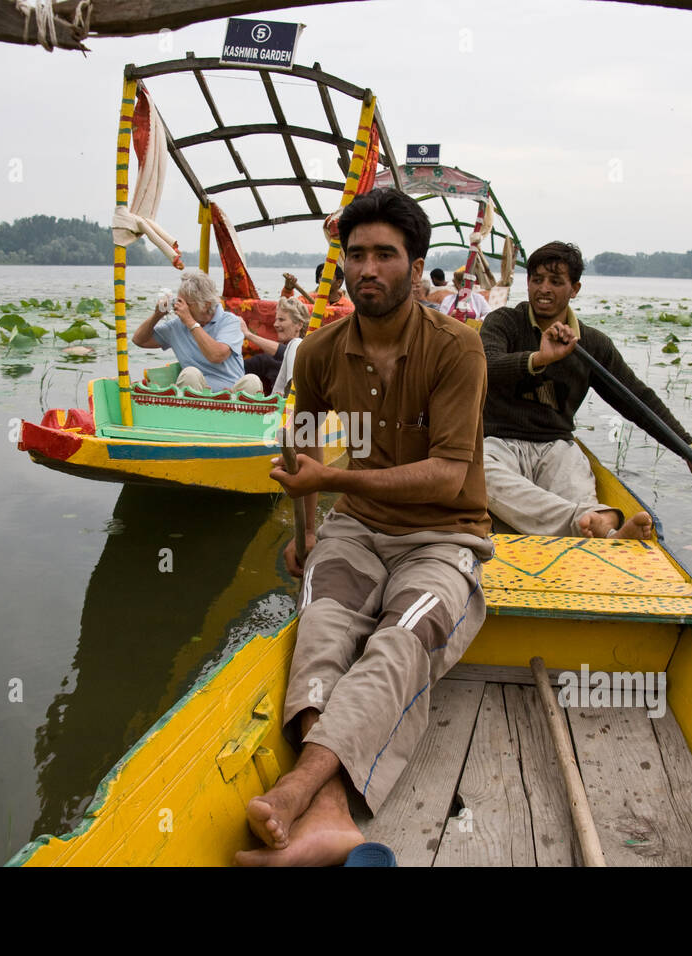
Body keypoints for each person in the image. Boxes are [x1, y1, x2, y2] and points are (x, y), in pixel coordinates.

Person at [238, 187, 492, 867]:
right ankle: (328, 813)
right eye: (356, 255)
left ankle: (298, 793)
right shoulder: (320, 351)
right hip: (355, 528)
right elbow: (301, 447)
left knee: (401, 638)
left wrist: (331, 483)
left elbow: (445, 476)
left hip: (445, 535)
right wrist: (305, 529)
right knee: (322, 627)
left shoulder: (457, 349)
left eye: (386, 255)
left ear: (414, 264)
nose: (368, 269)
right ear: (342, 262)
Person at [481, 241, 692, 539]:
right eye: (537, 280)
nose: (544, 289)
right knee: (479, 473)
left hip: (555, 446)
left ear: (575, 289)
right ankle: (598, 526)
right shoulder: (504, 322)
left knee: (575, 481)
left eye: (556, 282)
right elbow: (486, 364)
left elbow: (635, 399)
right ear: (527, 283)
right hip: (498, 442)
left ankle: (592, 525)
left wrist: (686, 445)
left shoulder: (592, 345)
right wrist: (540, 359)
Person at [131, 268, 263, 394]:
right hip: (197, 397)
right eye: (178, 301)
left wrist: (190, 322)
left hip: (231, 397)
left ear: (206, 305)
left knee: (252, 381)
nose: (179, 306)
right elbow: (139, 340)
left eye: (186, 303)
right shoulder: (177, 326)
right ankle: (191, 415)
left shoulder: (230, 322)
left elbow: (216, 355)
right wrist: (157, 316)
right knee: (190, 374)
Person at [240, 296, 309, 395]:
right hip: (278, 405)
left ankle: (293, 394)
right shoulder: (267, 360)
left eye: (281, 320)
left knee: (295, 344)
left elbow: (288, 351)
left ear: (299, 325)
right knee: (251, 381)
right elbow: (237, 368)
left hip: (302, 401)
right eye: (276, 320)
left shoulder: (307, 350)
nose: (275, 324)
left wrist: (248, 335)